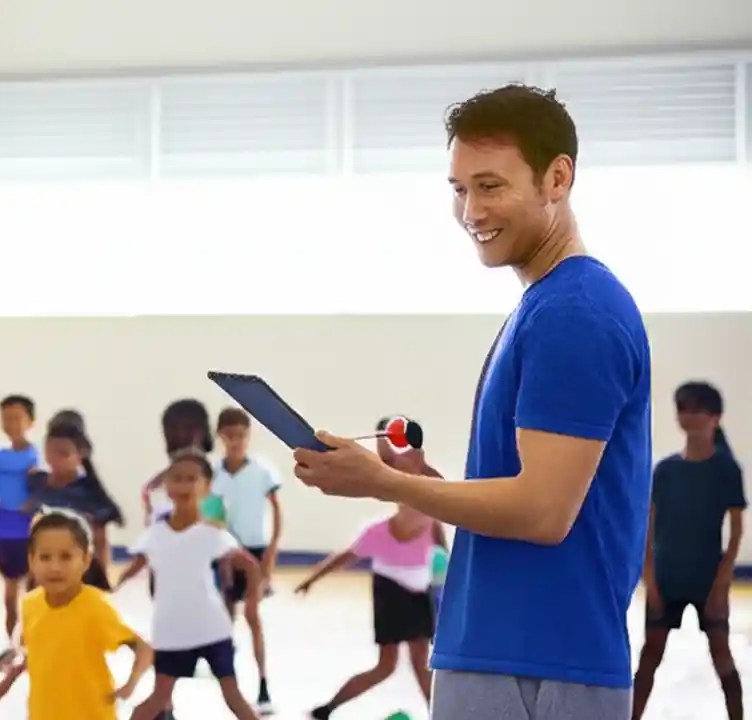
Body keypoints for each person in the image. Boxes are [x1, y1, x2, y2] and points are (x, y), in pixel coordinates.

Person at [291, 84, 652, 720]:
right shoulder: (547, 305)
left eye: (490, 186)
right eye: (459, 189)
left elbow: (543, 511)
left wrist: (383, 484)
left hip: (538, 664)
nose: (470, 210)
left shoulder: (576, 312)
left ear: (557, 178)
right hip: (508, 654)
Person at [120, 449, 264, 720]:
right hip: (171, 630)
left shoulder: (213, 533)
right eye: (176, 478)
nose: (183, 485)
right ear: (166, 485)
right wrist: (112, 588)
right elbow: (135, 566)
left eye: (191, 479)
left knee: (233, 697)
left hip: (212, 629)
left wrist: (252, 603)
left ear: (207, 486)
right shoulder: (154, 534)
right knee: (158, 698)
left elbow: (250, 566)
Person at [633, 381, 744, 720]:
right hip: (667, 578)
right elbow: (648, 528)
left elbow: (736, 530)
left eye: (697, 409)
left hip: (707, 579)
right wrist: (649, 580)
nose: (689, 416)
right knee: (649, 657)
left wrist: (722, 583)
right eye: (683, 408)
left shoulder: (726, 470)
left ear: (715, 417)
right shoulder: (665, 471)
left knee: (721, 655)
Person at [0, 508, 153, 719]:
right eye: (45, 557)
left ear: (86, 559)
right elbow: (35, 651)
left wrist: (131, 684)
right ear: (31, 561)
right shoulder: (31, 604)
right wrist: (6, 683)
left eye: (66, 557)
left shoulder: (95, 606)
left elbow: (143, 647)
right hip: (44, 712)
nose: (55, 567)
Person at [295, 504, 446, 718]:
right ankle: (327, 709)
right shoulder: (378, 531)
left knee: (420, 665)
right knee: (385, 666)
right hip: (389, 597)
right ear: (399, 504)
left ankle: (439, 714)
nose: (417, 511)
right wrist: (312, 578)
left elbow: (447, 557)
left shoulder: (433, 525)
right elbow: (346, 556)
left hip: (419, 597)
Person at [211, 407, 281, 713]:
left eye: (241, 435)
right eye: (229, 435)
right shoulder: (212, 473)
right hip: (225, 552)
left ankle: (263, 685)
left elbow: (277, 513)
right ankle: (231, 686)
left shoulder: (262, 471)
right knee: (225, 620)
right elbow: (211, 513)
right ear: (220, 437)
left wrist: (270, 557)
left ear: (248, 436)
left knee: (253, 617)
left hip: (255, 550)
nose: (235, 441)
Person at [23, 420, 124, 590]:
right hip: (46, 574)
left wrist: (101, 578)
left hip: (79, 576)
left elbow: (100, 540)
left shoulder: (88, 491)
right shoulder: (37, 483)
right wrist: (32, 575)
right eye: (52, 453)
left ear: (79, 457)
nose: (56, 460)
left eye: (64, 454)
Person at [0, 394, 40, 672]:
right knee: (9, 595)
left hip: (30, 530)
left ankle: (32, 648)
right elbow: (2, 497)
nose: (11, 423)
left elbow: (38, 495)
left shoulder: (36, 457)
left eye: (17, 417)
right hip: (6, 528)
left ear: (30, 421)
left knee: (33, 593)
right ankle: (11, 647)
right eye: (6, 417)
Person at [142, 399, 214, 524]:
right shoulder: (154, 487)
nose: (180, 435)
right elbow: (150, 529)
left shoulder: (218, 476)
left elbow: (217, 525)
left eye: (188, 428)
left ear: (202, 432)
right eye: (173, 428)